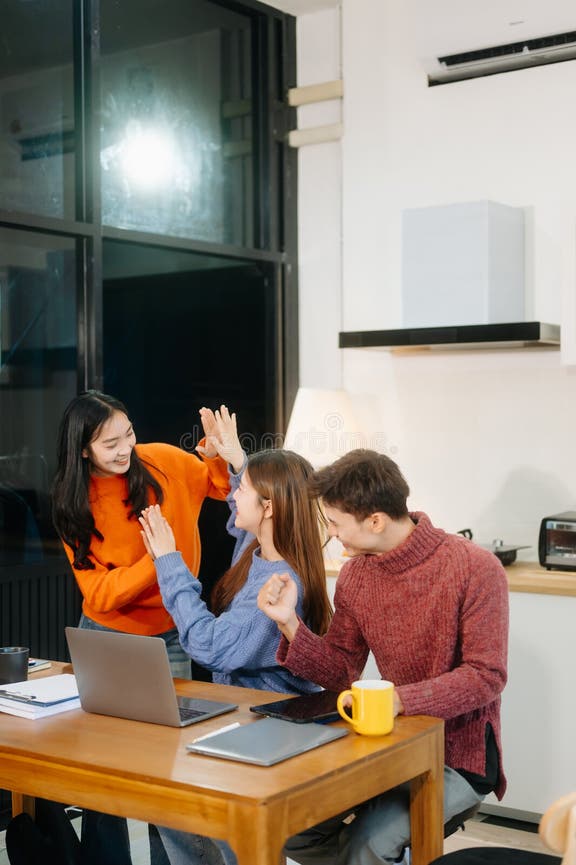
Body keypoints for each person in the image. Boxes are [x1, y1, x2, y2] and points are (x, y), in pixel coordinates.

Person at [258, 448, 509, 865]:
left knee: (368, 845)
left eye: (335, 523)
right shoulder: (356, 575)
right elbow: (341, 669)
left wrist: (400, 701)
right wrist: (290, 625)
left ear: (374, 520)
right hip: (386, 748)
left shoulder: (475, 568)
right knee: (292, 829)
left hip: (459, 757)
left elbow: (486, 676)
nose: (331, 533)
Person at [138, 407, 333, 865]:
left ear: (269, 508)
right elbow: (245, 511)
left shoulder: (279, 584)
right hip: (239, 717)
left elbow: (207, 642)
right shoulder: (265, 549)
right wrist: (238, 460)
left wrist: (168, 559)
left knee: (167, 796)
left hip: (269, 729)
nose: (231, 492)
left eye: (241, 489)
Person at [51, 390, 231, 865]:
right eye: (109, 443)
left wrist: (218, 456)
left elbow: (217, 485)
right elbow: (99, 593)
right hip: (106, 637)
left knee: (171, 763)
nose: (124, 448)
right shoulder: (74, 502)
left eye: (127, 433)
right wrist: (160, 561)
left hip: (171, 634)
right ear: (83, 448)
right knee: (103, 764)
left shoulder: (164, 463)